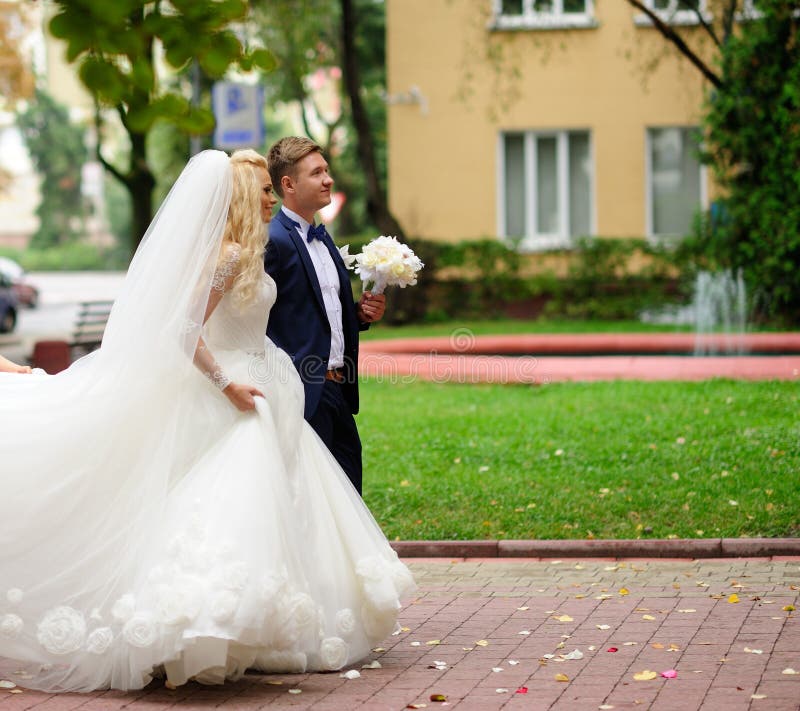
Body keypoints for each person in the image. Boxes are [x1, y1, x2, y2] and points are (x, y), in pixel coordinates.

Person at [0, 149, 414, 693]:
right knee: (232, 504)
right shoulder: (230, 255)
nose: (272, 198)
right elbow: (185, 328)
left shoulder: (254, 252)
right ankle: (207, 625)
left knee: (282, 504)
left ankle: (268, 629)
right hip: (235, 389)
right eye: (265, 191)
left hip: (267, 381)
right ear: (244, 196)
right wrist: (227, 383)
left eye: (272, 189)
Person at [265, 137, 384, 495]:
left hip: (337, 389)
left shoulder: (324, 238)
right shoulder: (274, 240)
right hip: (301, 392)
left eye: (326, 171)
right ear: (288, 184)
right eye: (316, 173)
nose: (328, 179)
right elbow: (256, 316)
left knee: (349, 490)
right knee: (313, 498)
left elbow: (318, 308)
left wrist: (360, 313)